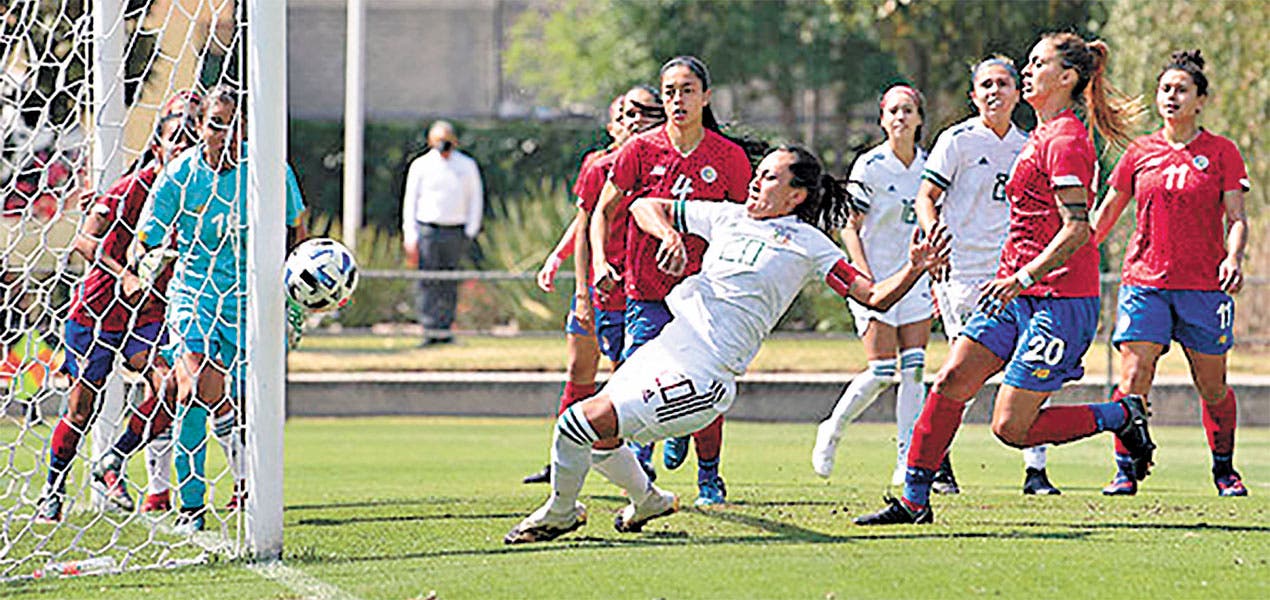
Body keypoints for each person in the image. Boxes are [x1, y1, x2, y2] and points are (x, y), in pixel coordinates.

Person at [505, 145, 949, 544]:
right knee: (600, 441)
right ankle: (649, 500)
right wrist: (670, 234)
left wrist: (914, 269)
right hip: (667, 348)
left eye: (771, 176)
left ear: (796, 195)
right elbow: (644, 205)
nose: (757, 180)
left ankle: (561, 512)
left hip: (704, 377)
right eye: (760, 172)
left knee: (575, 425)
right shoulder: (728, 215)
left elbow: (872, 296)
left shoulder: (810, 244)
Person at [856, 32, 1150, 526]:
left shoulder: (1066, 140)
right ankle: (913, 499)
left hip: (1058, 300)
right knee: (950, 380)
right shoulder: (1039, 134)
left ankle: (1121, 415)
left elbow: (1079, 229)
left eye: (1037, 64)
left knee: (1012, 429)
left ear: (1067, 78)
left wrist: (1024, 275)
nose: (1027, 71)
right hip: (1014, 293)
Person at [133, 84, 307, 533]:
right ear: (199, 126)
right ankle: (191, 506)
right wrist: (149, 256)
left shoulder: (267, 169)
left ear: (245, 126)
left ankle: (251, 488)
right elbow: (149, 235)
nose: (225, 133)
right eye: (215, 124)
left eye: (233, 124)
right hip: (195, 295)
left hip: (252, 299)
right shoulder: (179, 174)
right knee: (191, 390)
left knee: (253, 403)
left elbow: (296, 225)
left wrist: (298, 283)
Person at [590, 56, 753, 506]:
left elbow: (745, 223)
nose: (677, 99)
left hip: (705, 299)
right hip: (646, 292)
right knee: (632, 383)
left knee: (704, 389)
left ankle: (709, 478)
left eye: (686, 90)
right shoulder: (640, 150)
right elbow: (602, 212)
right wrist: (602, 263)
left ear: (706, 96)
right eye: (669, 92)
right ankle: (643, 479)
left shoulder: (729, 158)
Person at [33, 94, 199, 523]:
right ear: (158, 146)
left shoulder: (196, 193)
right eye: (174, 138)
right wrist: (122, 271)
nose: (182, 146)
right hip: (97, 312)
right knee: (81, 409)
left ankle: (114, 459)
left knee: (169, 386)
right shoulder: (133, 187)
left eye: (189, 138)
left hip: (148, 314)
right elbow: (84, 241)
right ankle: (52, 490)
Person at [1092, 49, 1250, 497]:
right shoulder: (1140, 151)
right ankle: (1125, 469)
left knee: (1212, 386)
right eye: (1165, 89)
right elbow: (1106, 214)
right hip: (1145, 283)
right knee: (1134, 376)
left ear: (1200, 100)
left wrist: (1233, 258)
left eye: (1182, 90)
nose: (1171, 97)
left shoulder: (1222, 152)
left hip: (1204, 288)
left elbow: (1236, 217)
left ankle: (1224, 470)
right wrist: (1080, 253)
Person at [913, 57, 1062, 496]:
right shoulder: (957, 141)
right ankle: (938, 462)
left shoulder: (1032, 143)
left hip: (1018, 274)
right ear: (973, 95)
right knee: (963, 374)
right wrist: (932, 235)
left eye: (1003, 84)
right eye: (986, 85)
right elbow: (927, 195)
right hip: (965, 273)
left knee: (1032, 368)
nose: (994, 92)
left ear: (1019, 93)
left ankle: (1036, 472)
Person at [524, 87, 665, 484]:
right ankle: (564, 456)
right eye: (623, 115)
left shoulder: (657, 166)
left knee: (629, 378)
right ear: (611, 125)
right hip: (595, 286)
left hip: (636, 288)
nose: (631, 122)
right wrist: (562, 261)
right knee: (579, 369)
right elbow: (585, 222)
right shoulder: (597, 165)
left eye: (640, 114)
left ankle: (638, 459)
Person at [812, 84, 933, 488]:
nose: (900, 117)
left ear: (919, 118)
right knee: (882, 371)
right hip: (875, 280)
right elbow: (849, 224)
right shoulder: (871, 165)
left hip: (915, 279)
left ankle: (906, 460)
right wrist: (863, 276)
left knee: (914, 371)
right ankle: (832, 428)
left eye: (908, 110)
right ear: (883, 119)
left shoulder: (929, 166)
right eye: (893, 110)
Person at [401, 121, 484, 346]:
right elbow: (410, 201)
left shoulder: (467, 165)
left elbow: (475, 198)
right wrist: (410, 235)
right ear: (430, 141)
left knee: (449, 282)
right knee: (428, 282)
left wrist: (470, 230)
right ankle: (430, 330)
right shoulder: (420, 165)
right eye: (438, 139)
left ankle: (445, 330)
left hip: (455, 231)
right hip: (428, 230)